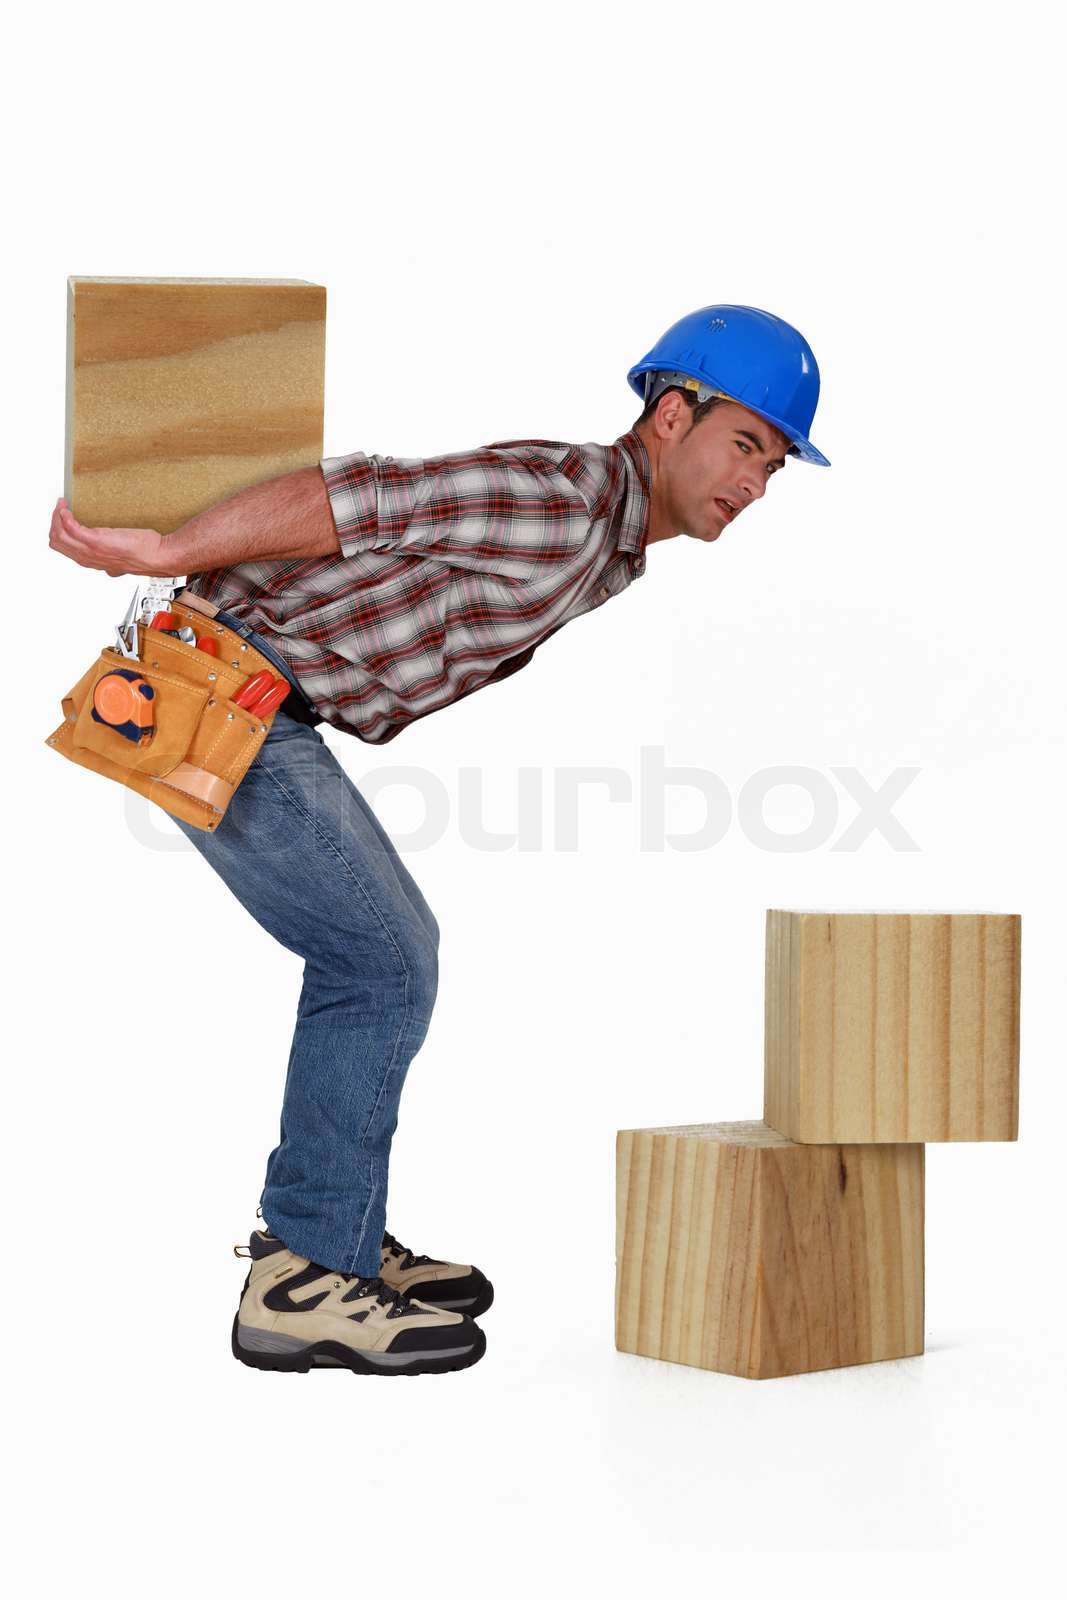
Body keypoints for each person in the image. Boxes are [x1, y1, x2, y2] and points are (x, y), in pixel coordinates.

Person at [48, 303, 830, 1377]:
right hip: (226, 699)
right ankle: (303, 1273)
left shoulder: (609, 542)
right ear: (667, 413)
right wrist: (170, 546)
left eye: (774, 465)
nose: (752, 482)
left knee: (383, 955)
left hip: (253, 699)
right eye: (744, 442)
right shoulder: (559, 506)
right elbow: (355, 496)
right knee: (383, 960)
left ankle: (335, 1234)